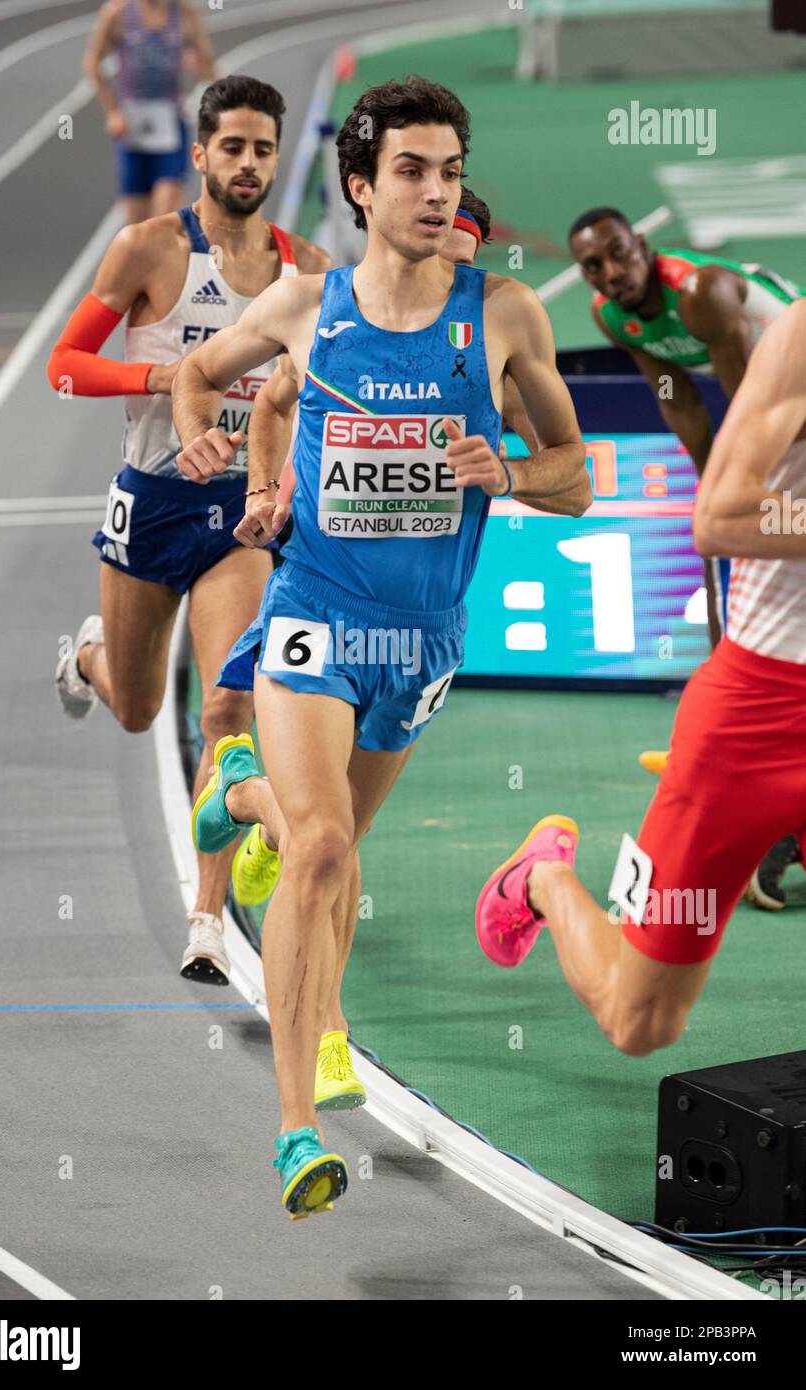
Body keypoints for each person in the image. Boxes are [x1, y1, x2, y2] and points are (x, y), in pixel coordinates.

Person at [171, 76, 590, 1218]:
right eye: (410, 170)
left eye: (448, 171)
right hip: (316, 609)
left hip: (421, 639)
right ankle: (297, 1127)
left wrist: (511, 473)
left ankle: (233, 792)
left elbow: (576, 472)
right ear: (360, 187)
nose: (433, 191)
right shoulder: (309, 307)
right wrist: (226, 457)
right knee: (319, 850)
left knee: (337, 840)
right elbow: (199, 375)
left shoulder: (501, 316)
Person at [49, 76, 330, 985]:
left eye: (262, 149)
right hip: (152, 498)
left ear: (276, 159)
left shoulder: (308, 271)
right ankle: (89, 656)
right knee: (135, 709)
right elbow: (64, 365)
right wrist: (162, 383)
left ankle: (205, 919)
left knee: (226, 705)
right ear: (200, 154)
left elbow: (313, 398)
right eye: (232, 148)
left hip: (238, 516)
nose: (247, 164)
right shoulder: (148, 249)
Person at [475, 298, 806, 1058]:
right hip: (751, 724)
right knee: (640, 1024)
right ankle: (543, 881)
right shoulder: (797, 339)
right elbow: (718, 517)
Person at [569, 207, 805, 906]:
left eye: (618, 255)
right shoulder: (615, 317)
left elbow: (746, 401)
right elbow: (676, 398)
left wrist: (734, 500)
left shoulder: (701, 292)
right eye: (593, 266)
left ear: (641, 246)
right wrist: (711, 492)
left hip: (785, 410)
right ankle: (769, 826)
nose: (611, 274)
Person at [84, 0, 215, 225]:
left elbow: (210, 70)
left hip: (171, 123)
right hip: (132, 125)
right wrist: (112, 111)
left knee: (166, 217)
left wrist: (197, 65)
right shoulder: (118, 13)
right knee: (137, 225)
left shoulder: (185, 13)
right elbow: (92, 64)